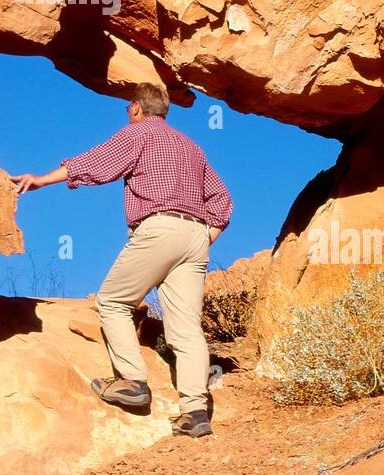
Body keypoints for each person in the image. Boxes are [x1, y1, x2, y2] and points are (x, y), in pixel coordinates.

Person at [13, 83, 233, 438]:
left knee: (114, 301)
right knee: (187, 328)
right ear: (165, 110)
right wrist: (201, 239)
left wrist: (41, 180)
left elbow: (95, 163)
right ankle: (194, 411)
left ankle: (133, 380)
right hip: (196, 237)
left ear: (135, 109)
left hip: (159, 227)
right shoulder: (193, 147)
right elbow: (222, 202)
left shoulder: (139, 134)